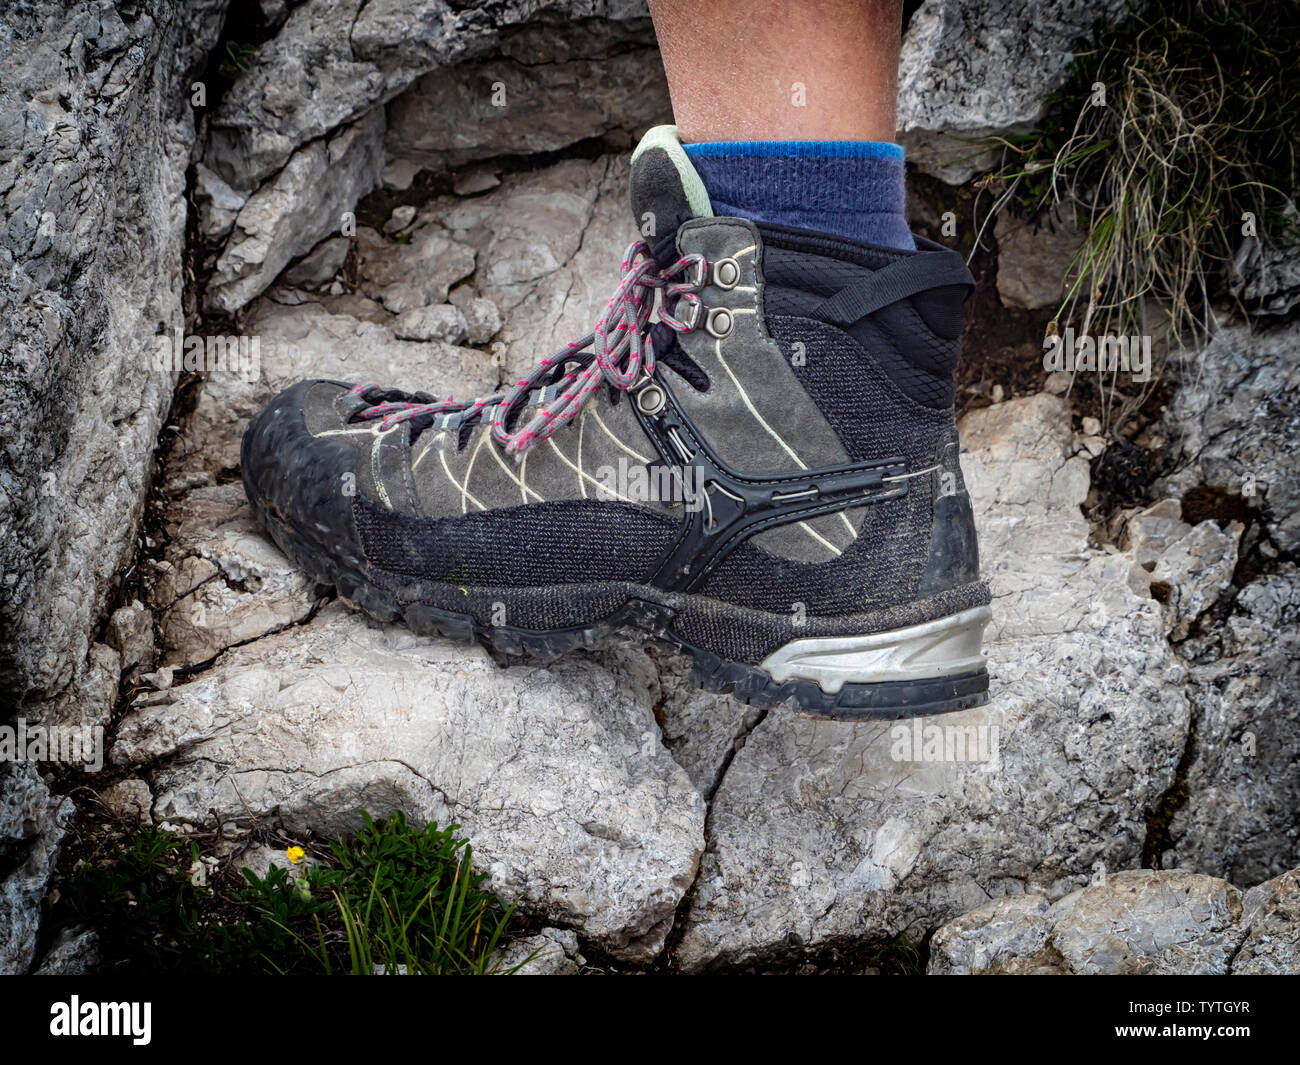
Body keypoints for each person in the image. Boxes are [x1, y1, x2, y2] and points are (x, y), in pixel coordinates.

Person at [239, 0, 991, 719]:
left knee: (787, 235)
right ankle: (875, 530)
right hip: (882, 506)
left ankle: (767, 469)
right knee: (806, 241)